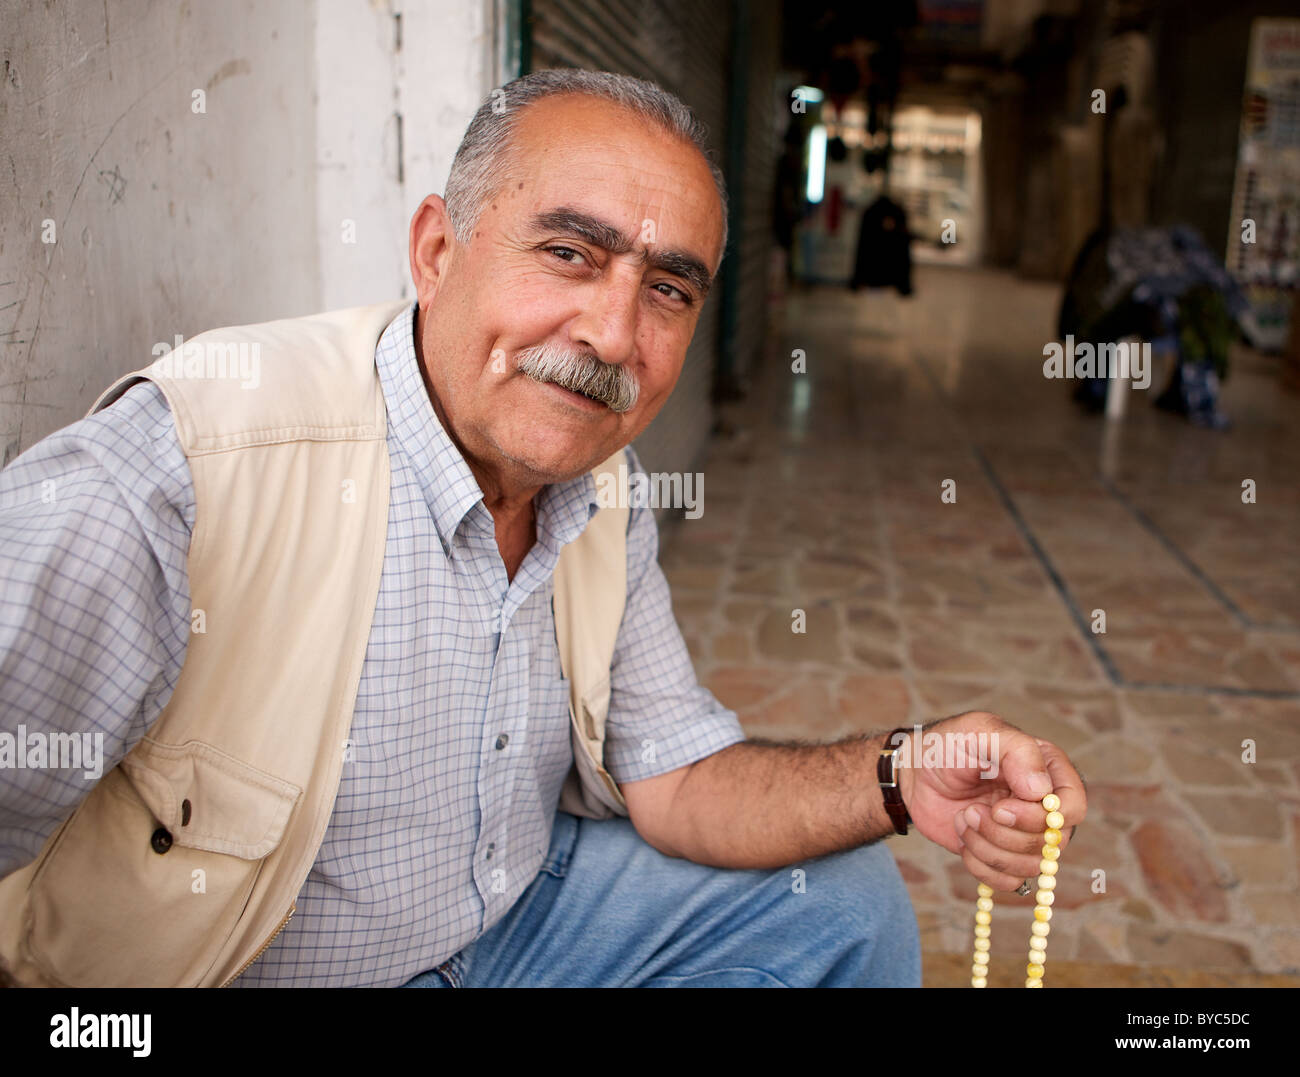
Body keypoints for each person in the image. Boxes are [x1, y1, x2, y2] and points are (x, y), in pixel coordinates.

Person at [0, 68, 1086, 988]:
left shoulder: (600, 487)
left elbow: (676, 778)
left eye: (667, 289)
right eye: (569, 253)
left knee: (841, 903)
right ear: (435, 250)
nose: (612, 333)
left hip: (517, 928)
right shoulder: (179, 473)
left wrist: (900, 774)